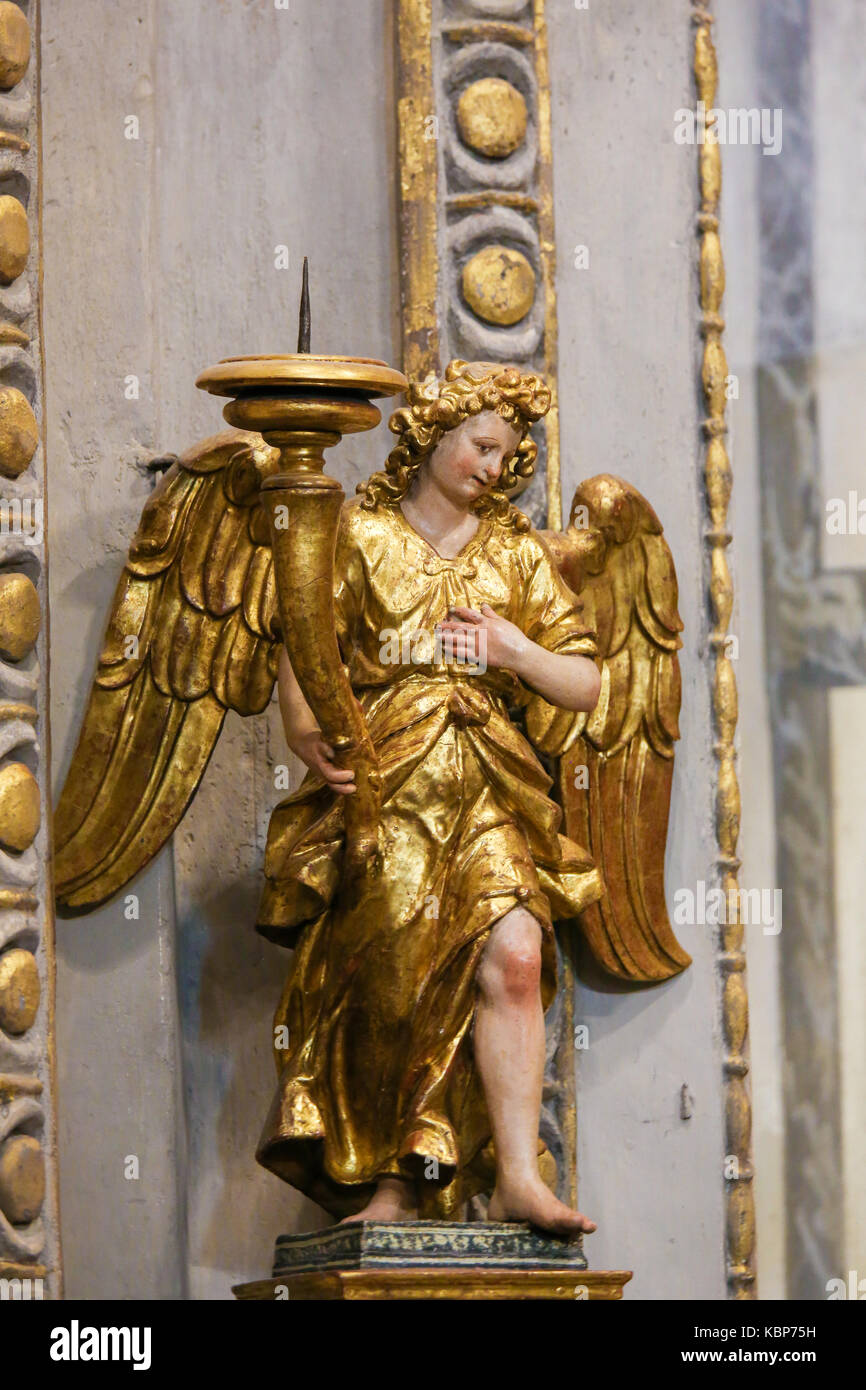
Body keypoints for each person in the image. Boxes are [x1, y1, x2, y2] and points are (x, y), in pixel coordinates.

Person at [255, 359, 603, 1236]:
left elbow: (587, 683)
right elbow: (306, 641)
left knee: (516, 957)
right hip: (388, 781)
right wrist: (309, 729)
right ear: (433, 433)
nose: (493, 466)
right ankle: (390, 1178)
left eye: (507, 454)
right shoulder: (361, 536)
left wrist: (517, 653)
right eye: (482, 444)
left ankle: (520, 1173)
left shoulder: (518, 552)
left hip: (490, 777)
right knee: (391, 978)